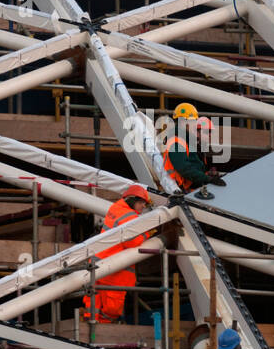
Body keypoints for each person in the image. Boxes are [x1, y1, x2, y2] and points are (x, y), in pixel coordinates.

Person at [82, 184, 153, 323]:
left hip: (98, 263)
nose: (143, 207)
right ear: (133, 201)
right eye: (142, 203)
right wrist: (147, 233)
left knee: (93, 301)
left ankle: (89, 330)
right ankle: (101, 332)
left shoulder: (116, 208)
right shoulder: (130, 215)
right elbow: (132, 242)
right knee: (112, 309)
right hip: (114, 271)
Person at [163, 103, 225, 198]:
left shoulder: (185, 140)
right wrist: (208, 179)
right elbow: (185, 169)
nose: (195, 124)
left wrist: (209, 176)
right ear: (184, 122)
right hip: (180, 190)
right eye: (194, 121)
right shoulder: (176, 142)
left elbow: (193, 166)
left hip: (186, 189)